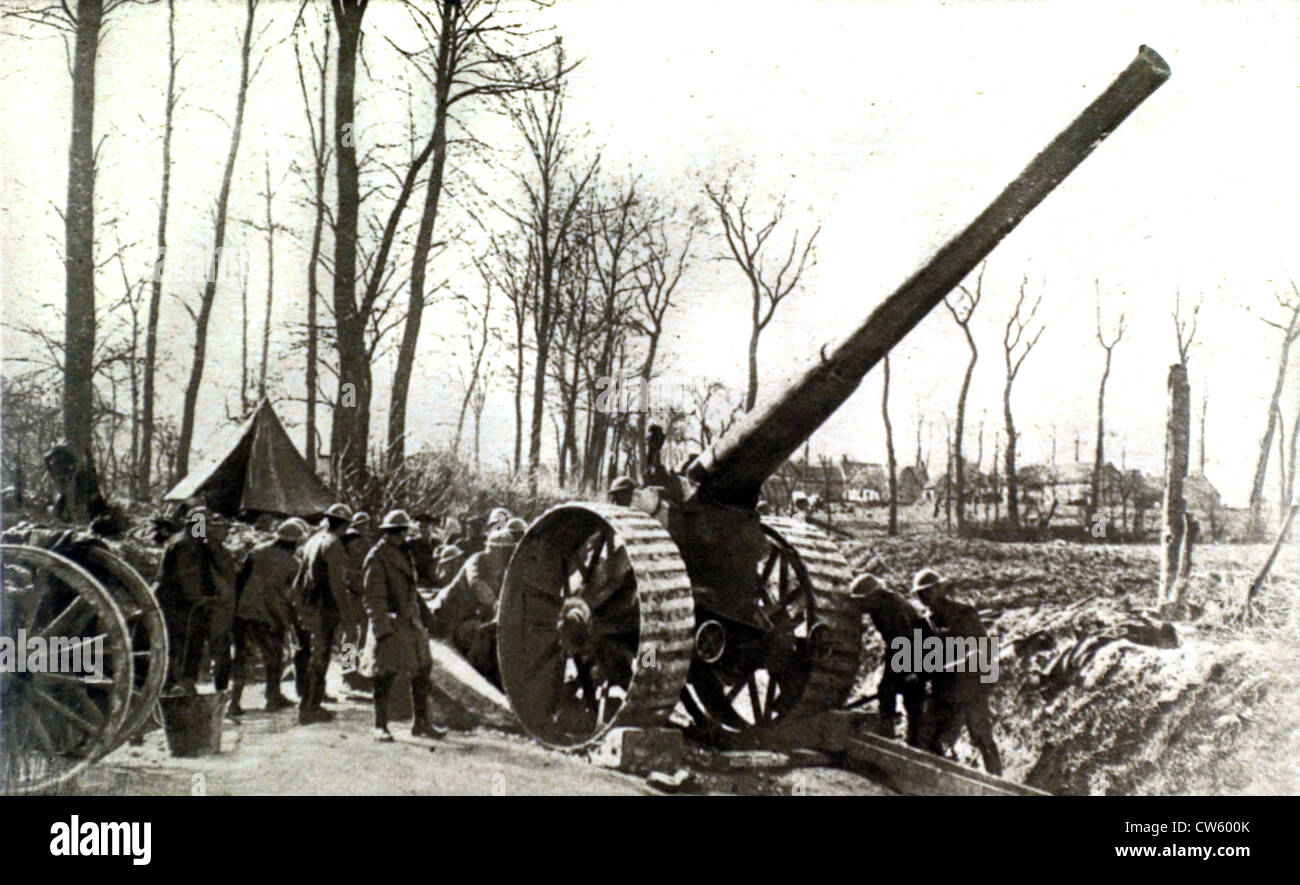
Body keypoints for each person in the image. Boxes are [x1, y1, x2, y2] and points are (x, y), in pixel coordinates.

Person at [359, 510, 446, 743]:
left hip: (411, 622)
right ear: (386, 534)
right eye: (395, 532)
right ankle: (379, 725)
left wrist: (427, 617)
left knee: (423, 669)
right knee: (384, 675)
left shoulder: (405, 553)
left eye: (402, 532)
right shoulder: (376, 557)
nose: (400, 536)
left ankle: (421, 722)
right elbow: (373, 597)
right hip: (390, 622)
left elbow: (411, 589)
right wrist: (381, 628)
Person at [911, 568, 1002, 775]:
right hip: (944, 690)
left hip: (971, 688)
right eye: (920, 594)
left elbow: (985, 648)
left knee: (982, 737)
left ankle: (998, 783)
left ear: (940, 589)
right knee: (928, 737)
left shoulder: (963, 614)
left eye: (928, 591)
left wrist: (987, 682)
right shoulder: (925, 623)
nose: (924, 597)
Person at [154, 505, 237, 694]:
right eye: (205, 524)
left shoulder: (192, 542)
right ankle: (181, 685)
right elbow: (188, 576)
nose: (208, 528)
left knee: (189, 642)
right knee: (185, 643)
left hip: (182, 604)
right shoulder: (187, 544)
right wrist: (199, 599)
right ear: (197, 524)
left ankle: (182, 683)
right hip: (179, 605)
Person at [229, 518, 305, 715]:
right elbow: (295, 596)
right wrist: (296, 622)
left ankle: (233, 702)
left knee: (241, 657)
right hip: (270, 616)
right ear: (294, 542)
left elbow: (239, 580)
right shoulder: (293, 564)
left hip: (243, 612)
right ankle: (272, 697)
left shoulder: (256, 552)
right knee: (274, 658)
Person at [426, 525, 515, 685]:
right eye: (504, 551)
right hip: (446, 618)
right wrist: (497, 605)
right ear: (493, 549)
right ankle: (482, 678)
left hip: (466, 617)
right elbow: (478, 585)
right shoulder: (477, 561)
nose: (505, 556)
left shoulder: (499, 570)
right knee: (480, 636)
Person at [850, 573, 929, 746]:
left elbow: (904, 637)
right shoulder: (882, 604)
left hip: (914, 649)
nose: (860, 606)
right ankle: (900, 736)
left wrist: (909, 670)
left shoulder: (889, 607)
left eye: (861, 601)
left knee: (904, 692)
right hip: (907, 647)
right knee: (893, 690)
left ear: (872, 596)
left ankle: (898, 738)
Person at [292, 502, 353, 724]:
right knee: (320, 657)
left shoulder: (313, 541)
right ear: (345, 525)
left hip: (311, 604)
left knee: (314, 654)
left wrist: (299, 604)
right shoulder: (333, 544)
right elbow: (337, 584)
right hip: (324, 607)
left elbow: (300, 577)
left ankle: (309, 704)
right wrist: (346, 614)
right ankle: (310, 708)